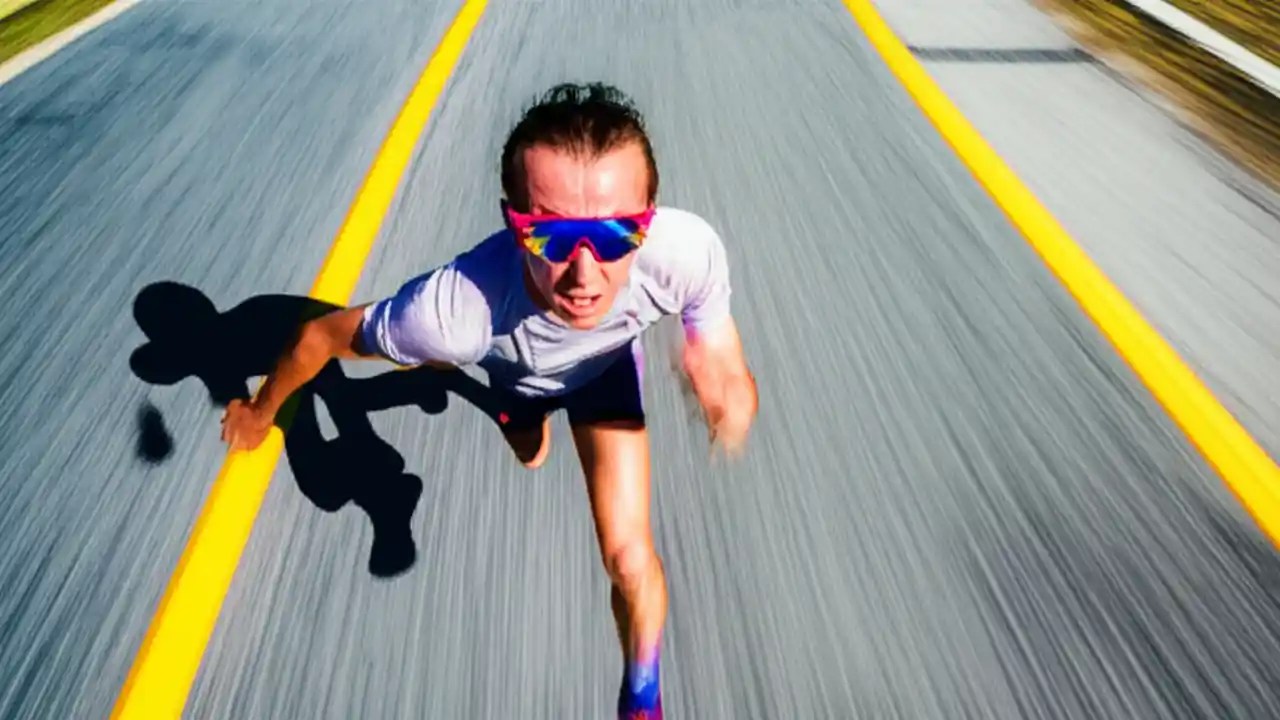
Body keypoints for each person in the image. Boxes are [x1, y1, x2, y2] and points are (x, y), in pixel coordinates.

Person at [220, 81, 758, 719]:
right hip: (514, 372)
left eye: (618, 233)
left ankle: (642, 701)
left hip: (603, 373)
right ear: (512, 221)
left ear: (651, 215)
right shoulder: (449, 314)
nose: (585, 276)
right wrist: (261, 408)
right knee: (527, 448)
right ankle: (507, 411)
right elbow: (318, 337)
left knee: (627, 556)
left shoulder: (684, 252)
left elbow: (718, 344)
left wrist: (721, 373)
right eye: (550, 238)